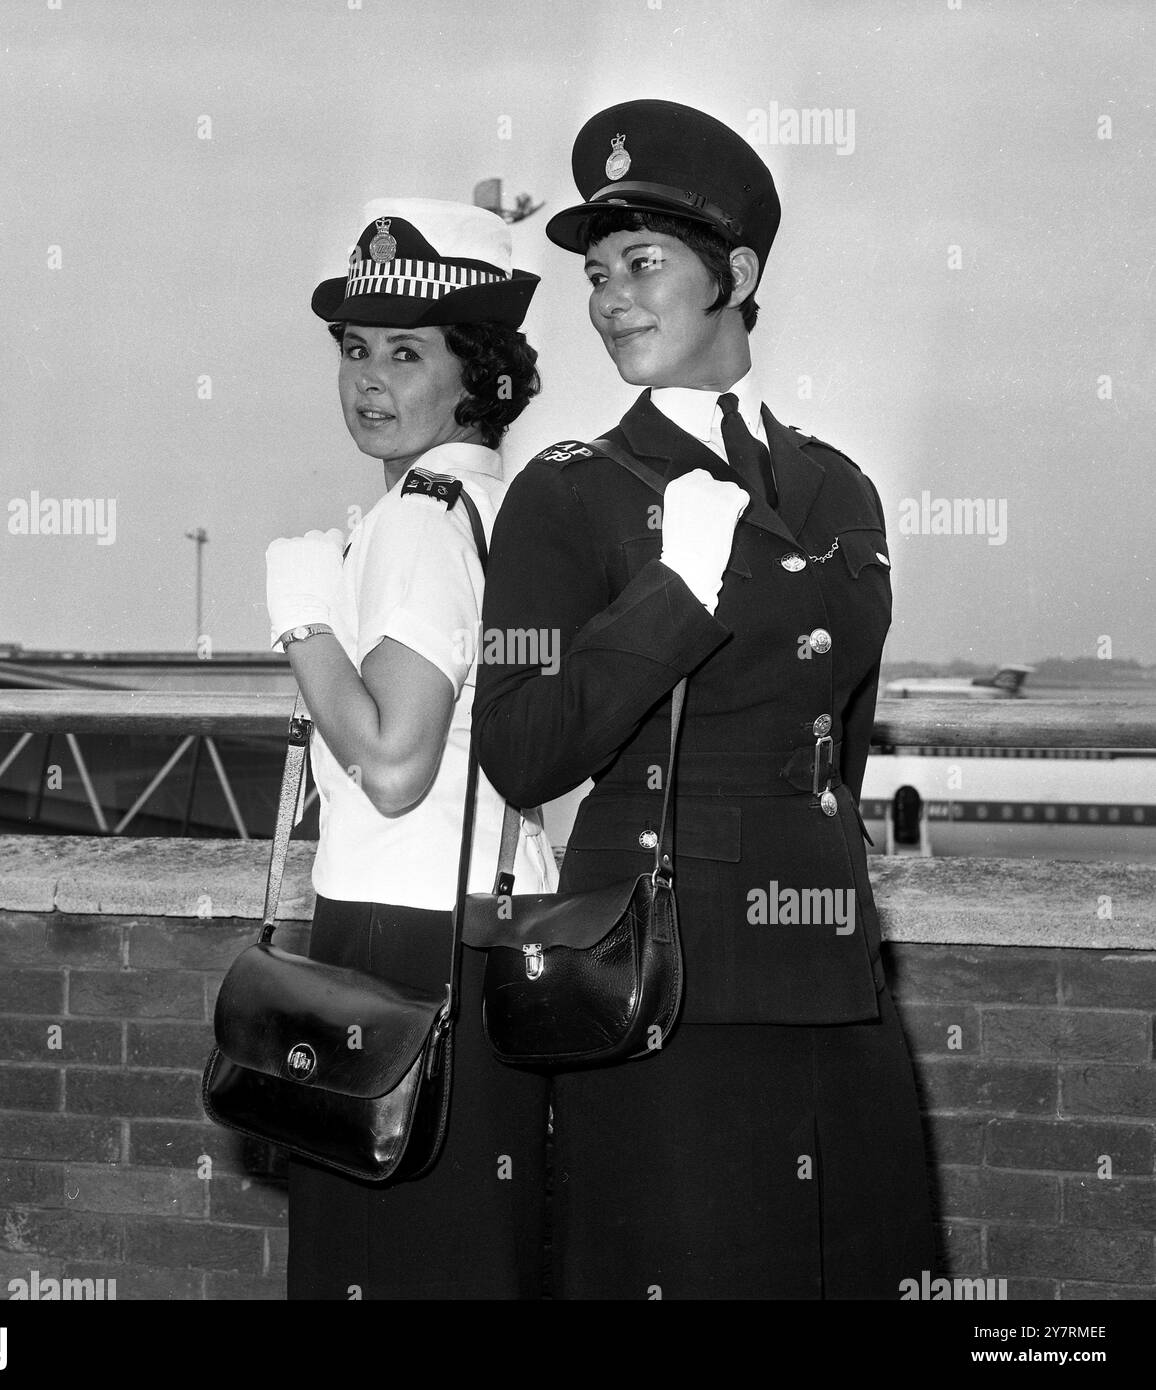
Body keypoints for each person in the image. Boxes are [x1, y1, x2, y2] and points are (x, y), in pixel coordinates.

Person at [472, 100, 934, 1299]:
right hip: (673, 986)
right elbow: (520, 749)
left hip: (834, 976)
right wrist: (673, 587)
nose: (609, 297)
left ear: (733, 273)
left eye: (641, 263)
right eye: (594, 272)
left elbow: (836, 746)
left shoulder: (838, 486)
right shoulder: (566, 496)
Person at [265, 197, 555, 1299]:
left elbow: (391, 764)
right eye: (352, 348)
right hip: (484, 929)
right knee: (469, 1255)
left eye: (404, 350)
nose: (367, 378)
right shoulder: (499, 506)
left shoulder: (419, 520)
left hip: (396, 937)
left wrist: (301, 615)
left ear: (476, 371)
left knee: (379, 1261)